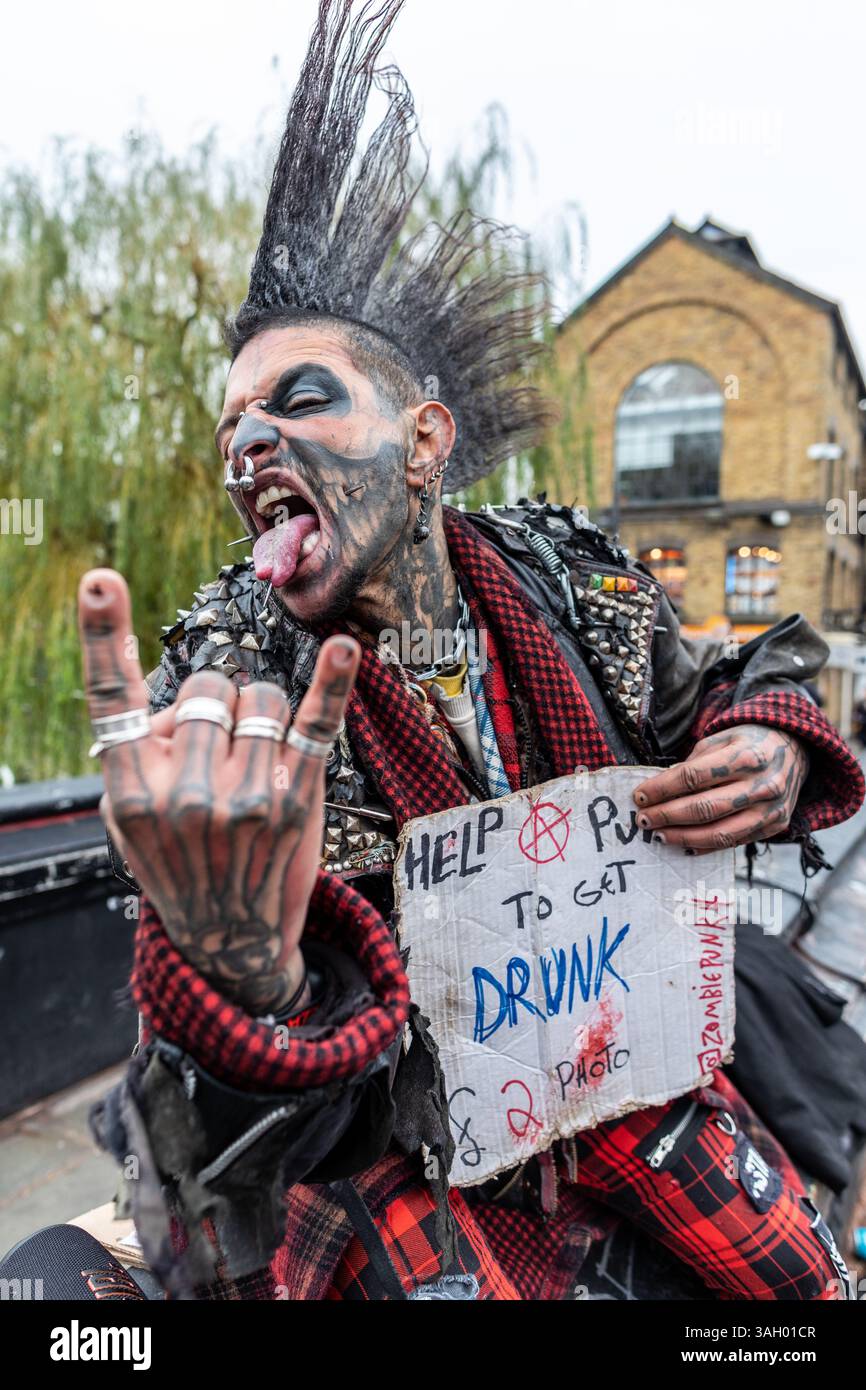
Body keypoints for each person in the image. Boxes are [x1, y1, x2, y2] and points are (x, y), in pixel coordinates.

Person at [79, 0, 862, 1301]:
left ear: (427, 441)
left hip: (639, 1080)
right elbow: (236, 1106)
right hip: (404, 1156)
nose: (245, 447)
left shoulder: (573, 577)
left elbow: (734, 678)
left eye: (301, 398)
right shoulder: (235, 684)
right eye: (230, 431)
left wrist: (768, 744)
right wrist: (238, 978)